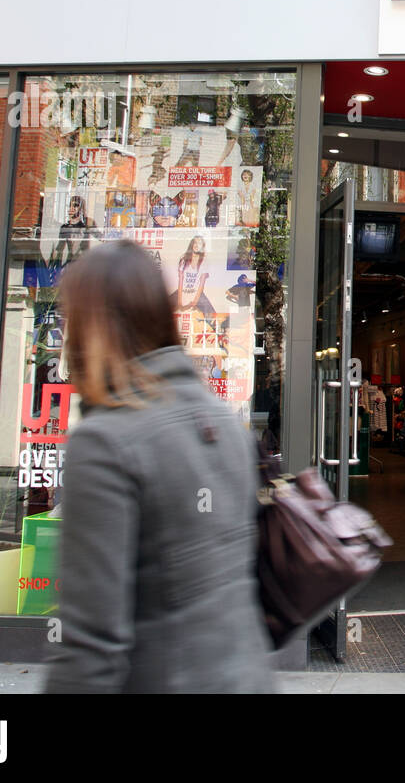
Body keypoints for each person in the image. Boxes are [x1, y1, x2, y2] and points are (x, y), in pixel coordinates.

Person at [45, 239, 272, 692]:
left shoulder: (106, 442)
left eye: (72, 319)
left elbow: (91, 644)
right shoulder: (225, 424)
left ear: (93, 328)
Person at [172, 236, 215, 315]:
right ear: (192, 244)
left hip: (196, 292)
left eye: (199, 243)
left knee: (211, 314)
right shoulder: (184, 259)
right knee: (162, 307)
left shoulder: (204, 261)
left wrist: (195, 301)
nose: (196, 245)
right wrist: (179, 301)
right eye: (195, 242)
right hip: (182, 290)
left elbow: (202, 284)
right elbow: (180, 281)